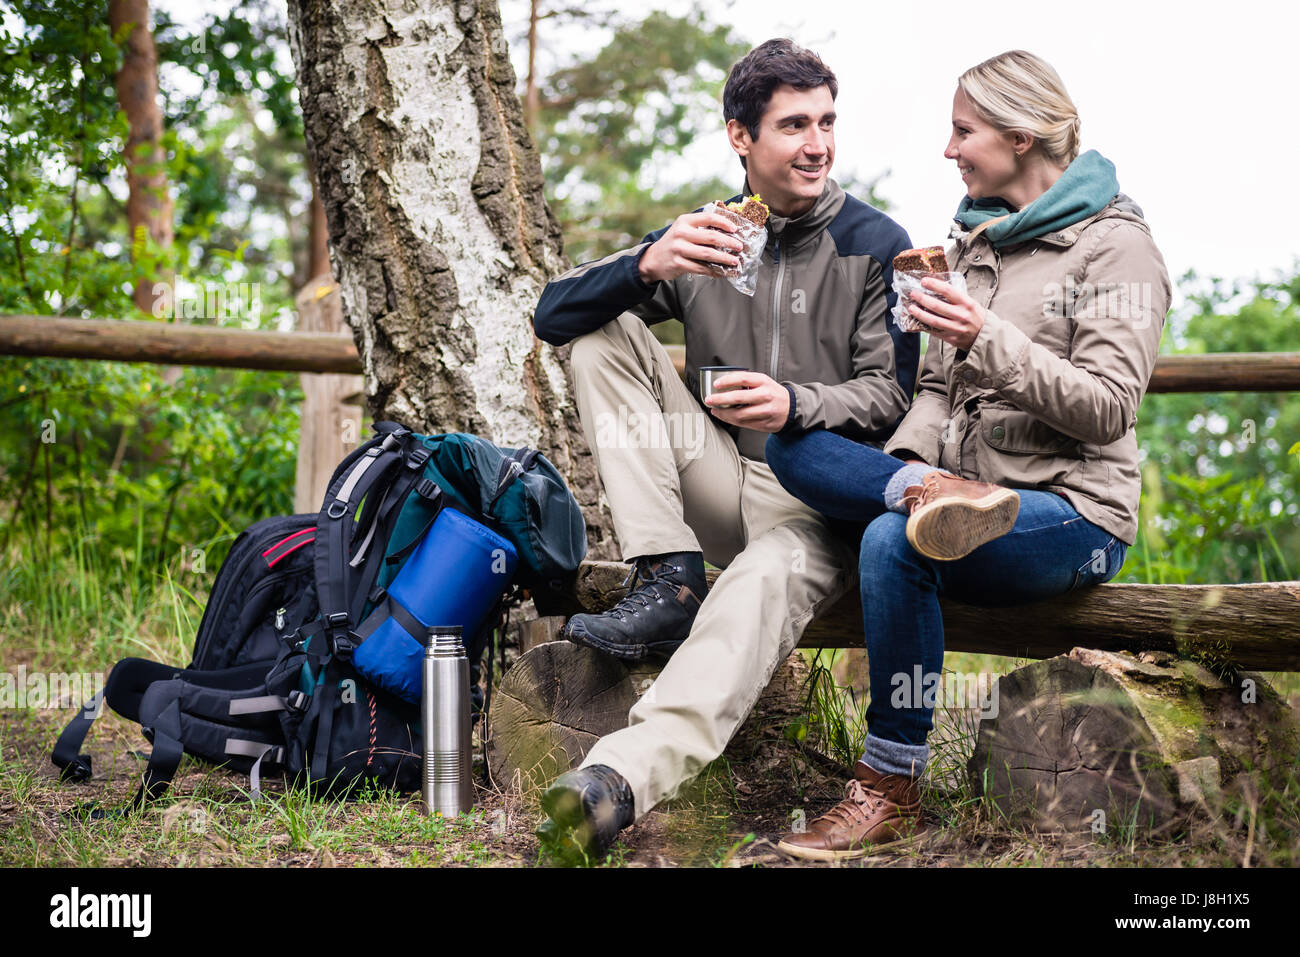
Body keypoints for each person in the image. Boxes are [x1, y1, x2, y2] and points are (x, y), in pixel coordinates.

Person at [764, 49, 1172, 861]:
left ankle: (890, 787)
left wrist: (985, 335)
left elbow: (1106, 407)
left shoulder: (1117, 250)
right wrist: (912, 469)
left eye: (963, 131)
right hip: (960, 495)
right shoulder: (975, 241)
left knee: (892, 540)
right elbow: (936, 394)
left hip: (1071, 511)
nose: (948, 150)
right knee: (792, 436)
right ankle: (929, 494)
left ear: (1021, 136)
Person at [529, 38, 919, 864]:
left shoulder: (875, 243)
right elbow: (551, 314)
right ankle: (668, 572)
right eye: (793, 125)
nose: (818, 143)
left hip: (817, 507)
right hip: (714, 482)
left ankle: (613, 782)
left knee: (759, 587)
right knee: (603, 332)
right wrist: (647, 262)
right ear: (740, 137)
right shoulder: (706, 235)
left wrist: (798, 403)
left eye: (826, 121)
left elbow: (894, 395)